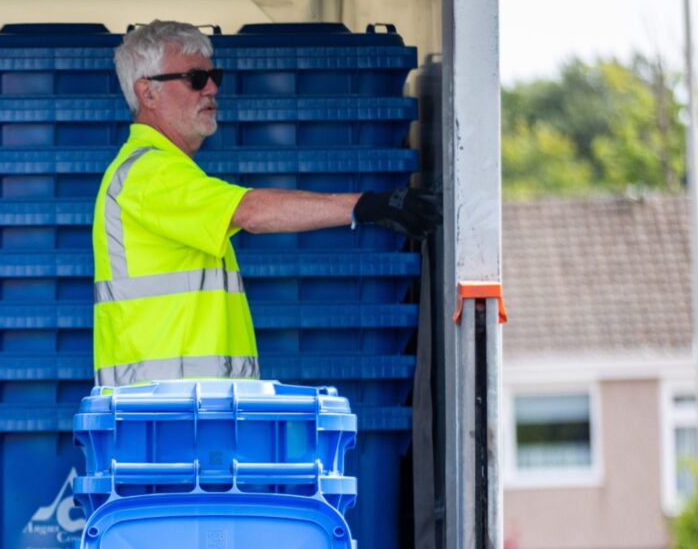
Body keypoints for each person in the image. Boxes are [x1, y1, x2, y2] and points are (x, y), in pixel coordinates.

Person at [93, 20, 441, 388]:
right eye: (196, 78)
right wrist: (369, 206)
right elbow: (253, 212)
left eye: (214, 76)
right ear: (147, 93)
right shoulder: (149, 174)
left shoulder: (161, 171)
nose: (211, 88)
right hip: (165, 418)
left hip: (181, 414)